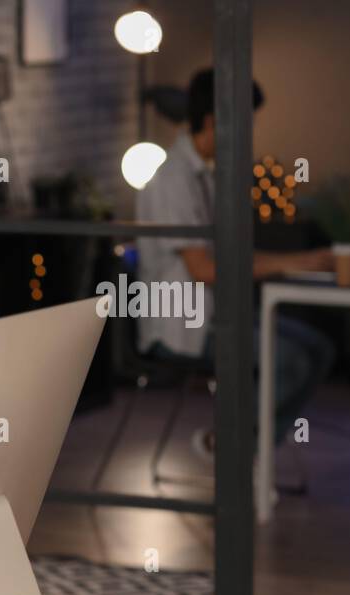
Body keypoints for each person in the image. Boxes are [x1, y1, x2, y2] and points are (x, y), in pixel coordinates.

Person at [136, 68, 336, 462]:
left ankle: (245, 449)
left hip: (216, 317)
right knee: (290, 358)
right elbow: (204, 270)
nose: (250, 132)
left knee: (319, 349)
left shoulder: (205, 177)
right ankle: (231, 448)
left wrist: (305, 260)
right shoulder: (171, 181)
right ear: (213, 120)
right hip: (184, 327)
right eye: (247, 120)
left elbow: (228, 258)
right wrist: (290, 264)